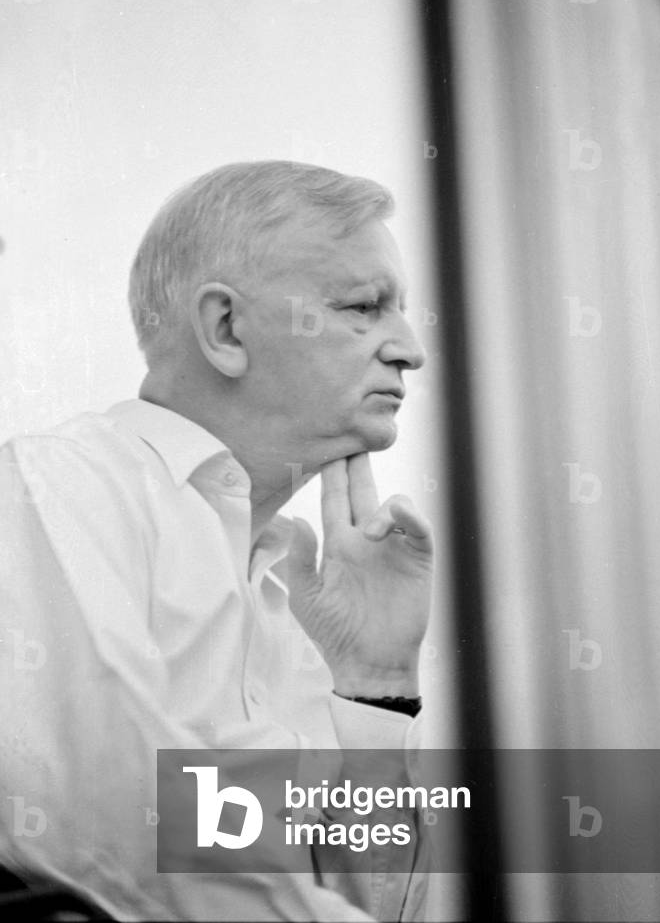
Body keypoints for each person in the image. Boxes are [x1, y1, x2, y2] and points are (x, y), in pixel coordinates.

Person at [0, 161, 434, 920]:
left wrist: (375, 680)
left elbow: (360, 899)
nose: (408, 349)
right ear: (225, 328)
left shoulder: (287, 606)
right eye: (366, 307)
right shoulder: (54, 486)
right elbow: (111, 832)